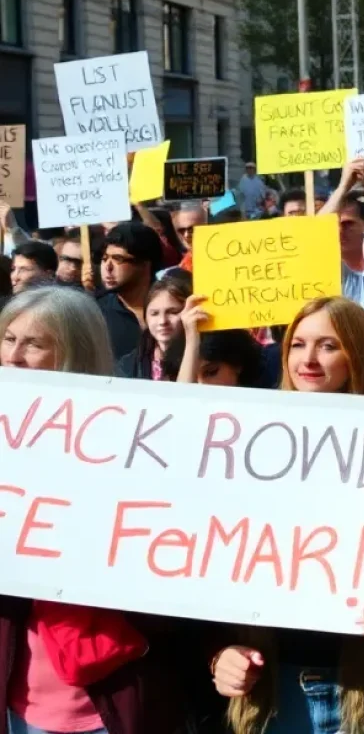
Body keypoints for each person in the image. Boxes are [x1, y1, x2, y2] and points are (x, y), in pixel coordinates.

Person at [211, 296, 364, 734]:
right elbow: (211, 557)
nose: (308, 358)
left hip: (361, 691)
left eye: (328, 345)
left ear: (358, 354)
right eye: (298, 344)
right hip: (268, 691)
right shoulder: (248, 446)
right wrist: (219, 653)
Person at [0, 285, 209, 734]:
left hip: (109, 696)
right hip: (18, 696)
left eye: (33, 344)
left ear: (72, 351)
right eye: (8, 339)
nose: (13, 356)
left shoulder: (128, 439)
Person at [95, 221, 165, 361]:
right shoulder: (95, 312)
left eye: (118, 259)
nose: (108, 267)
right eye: (104, 259)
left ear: (145, 264)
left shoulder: (174, 306)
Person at [116, 272, 191, 380]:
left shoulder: (202, 359)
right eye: (154, 314)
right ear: (146, 318)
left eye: (172, 312)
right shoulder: (128, 365)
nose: (163, 321)